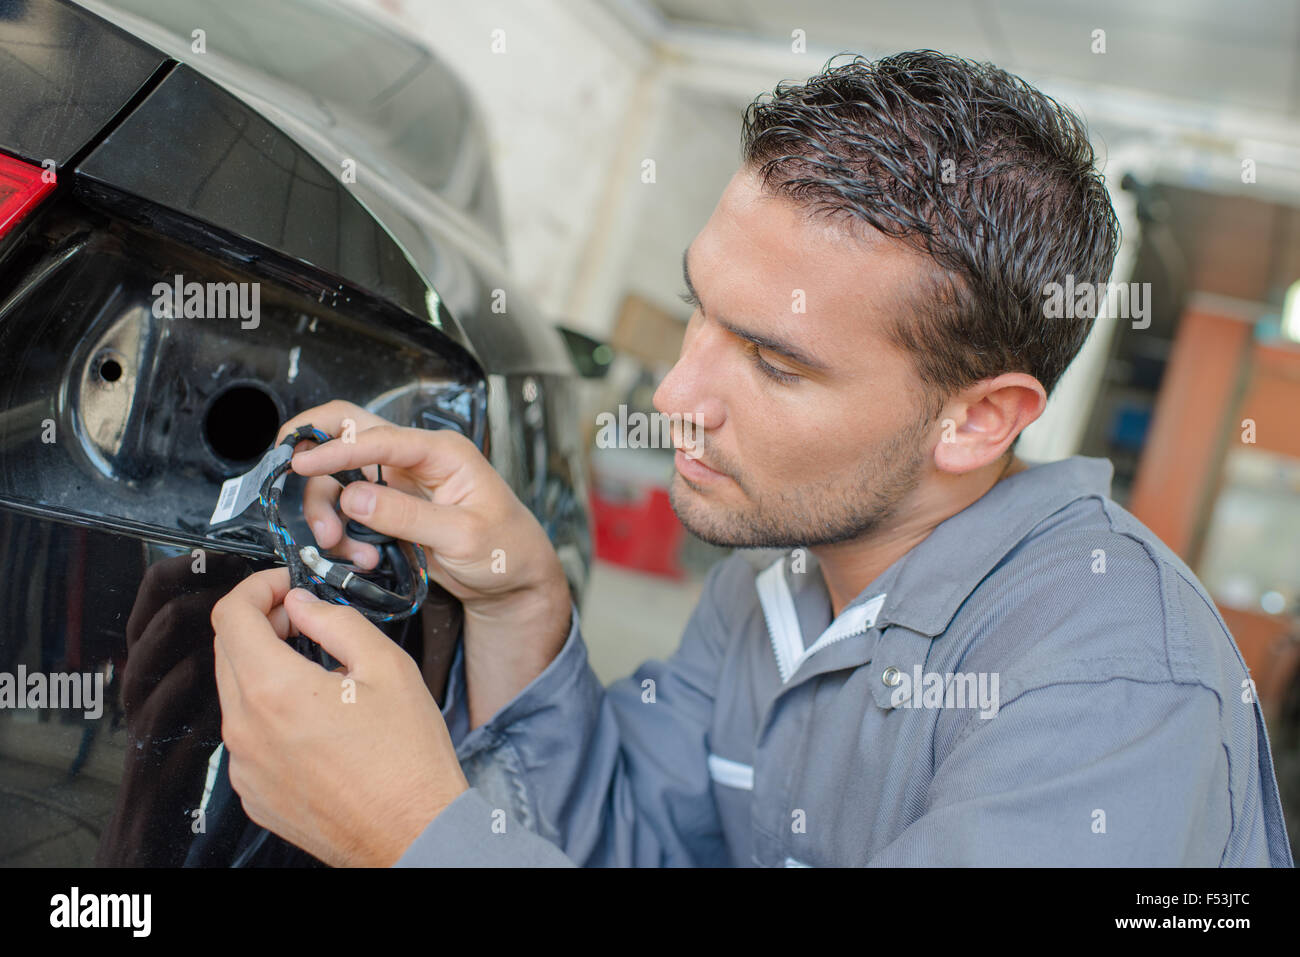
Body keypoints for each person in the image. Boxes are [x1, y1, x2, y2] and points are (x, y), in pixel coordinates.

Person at [211, 51, 1294, 867]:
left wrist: (414, 836)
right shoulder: (771, 584)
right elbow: (637, 848)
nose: (677, 398)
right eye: (700, 313)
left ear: (975, 420)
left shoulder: (1111, 692)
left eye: (774, 362)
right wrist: (519, 607)